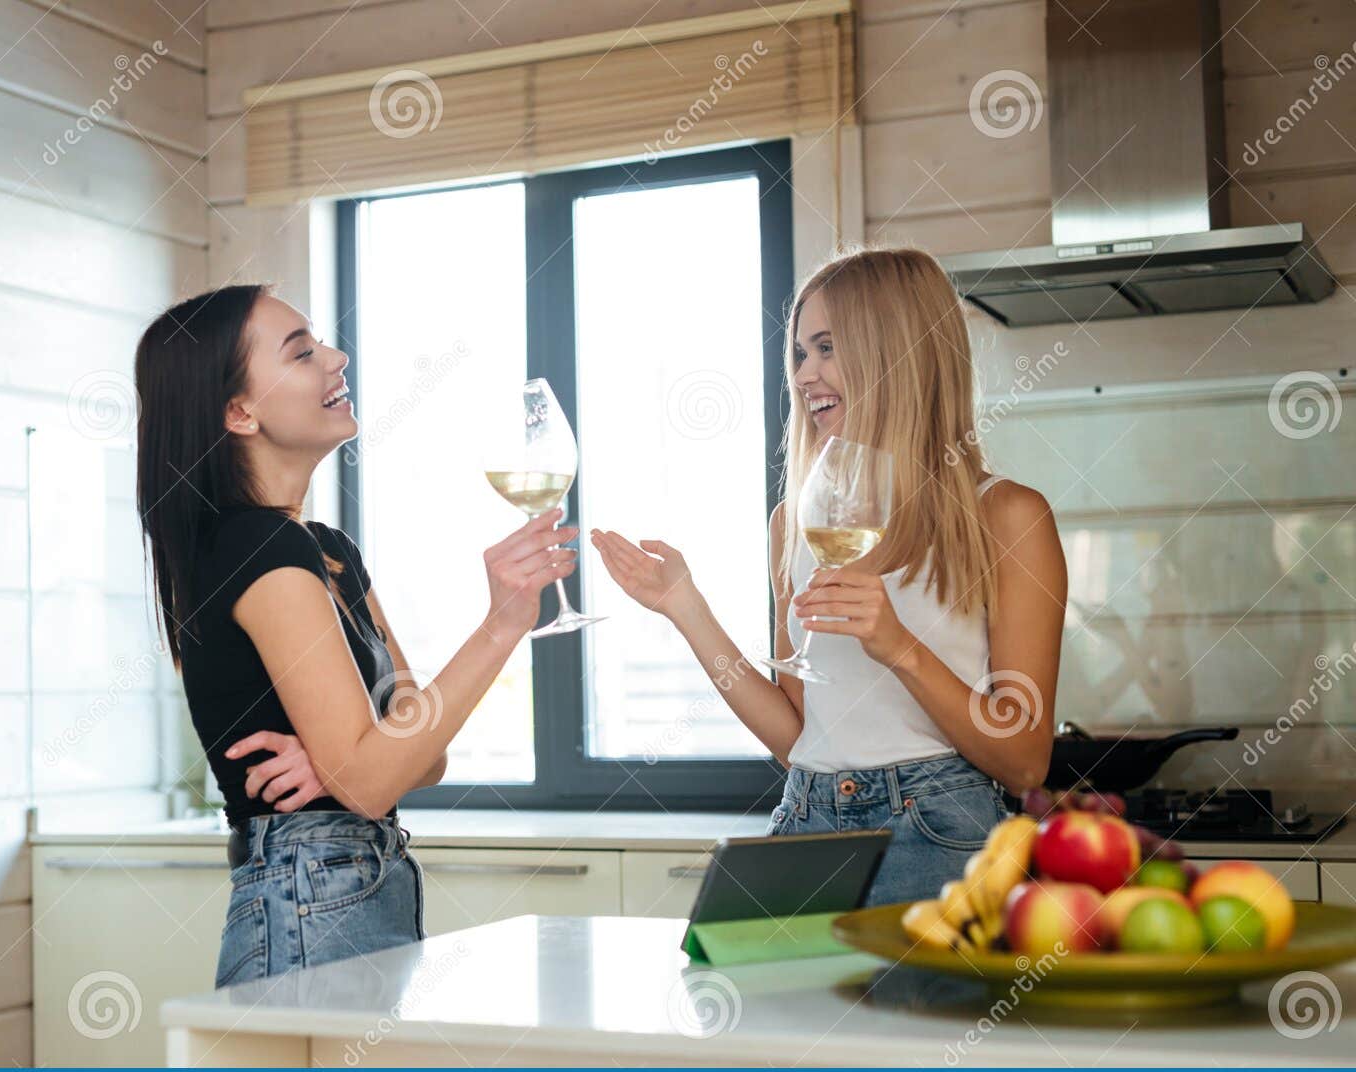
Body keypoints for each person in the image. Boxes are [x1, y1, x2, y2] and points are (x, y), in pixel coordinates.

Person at [590, 246, 1068, 906]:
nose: (804, 374)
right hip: (804, 824)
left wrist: (898, 646)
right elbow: (797, 740)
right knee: (746, 1005)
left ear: (895, 351)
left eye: (826, 348)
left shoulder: (1007, 516)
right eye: (799, 353)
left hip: (938, 832)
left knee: (919, 1014)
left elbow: (1024, 760)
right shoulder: (795, 522)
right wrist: (685, 607)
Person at [134, 286, 576, 985]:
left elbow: (422, 761)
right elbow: (376, 780)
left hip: (359, 888)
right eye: (303, 353)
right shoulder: (255, 549)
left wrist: (348, 755)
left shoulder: (326, 549)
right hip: (310, 897)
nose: (337, 358)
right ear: (239, 412)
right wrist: (501, 625)